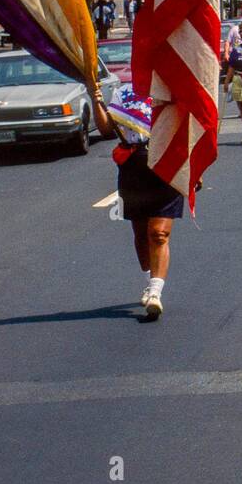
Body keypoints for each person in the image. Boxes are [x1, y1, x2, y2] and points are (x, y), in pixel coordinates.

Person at [93, 87, 184, 318]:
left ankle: (155, 292)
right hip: (133, 167)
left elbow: (187, 126)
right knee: (141, 232)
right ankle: (148, 280)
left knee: (159, 233)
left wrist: (196, 170)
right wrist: (96, 101)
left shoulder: (170, 87)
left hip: (166, 162)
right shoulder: (122, 93)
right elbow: (106, 128)